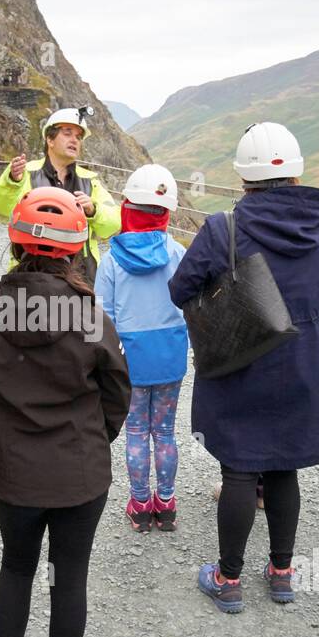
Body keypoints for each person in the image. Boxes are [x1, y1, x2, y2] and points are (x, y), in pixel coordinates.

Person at [0, 187, 130, 637]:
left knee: (16, 567)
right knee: (68, 575)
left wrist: (11, 437)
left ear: (16, 243)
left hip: (15, 474)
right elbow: (116, 396)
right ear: (75, 248)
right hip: (80, 473)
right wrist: (90, 440)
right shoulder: (89, 317)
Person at [169, 123, 319, 610]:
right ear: (295, 175)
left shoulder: (222, 228)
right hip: (302, 365)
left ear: (244, 179)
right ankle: (282, 573)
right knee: (285, 467)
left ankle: (229, 581)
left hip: (239, 363)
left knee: (240, 471)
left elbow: (180, 288)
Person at [96, 164, 187, 533]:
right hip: (171, 354)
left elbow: (102, 318)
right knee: (164, 432)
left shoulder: (111, 259)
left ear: (127, 208)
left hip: (129, 359)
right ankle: (166, 504)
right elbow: (189, 302)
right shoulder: (178, 251)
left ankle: (139, 504)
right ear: (166, 212)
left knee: (135, 431)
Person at [0, 104, 121, 281]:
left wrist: (94, 210)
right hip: (29, 273)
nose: (75, 140)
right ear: (50, 140)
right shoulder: (25, 173)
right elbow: (1, 206)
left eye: (79, 137)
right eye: (67, 133)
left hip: (80, 278)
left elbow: (113, 225)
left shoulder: (91, 181)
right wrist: (12, 182)